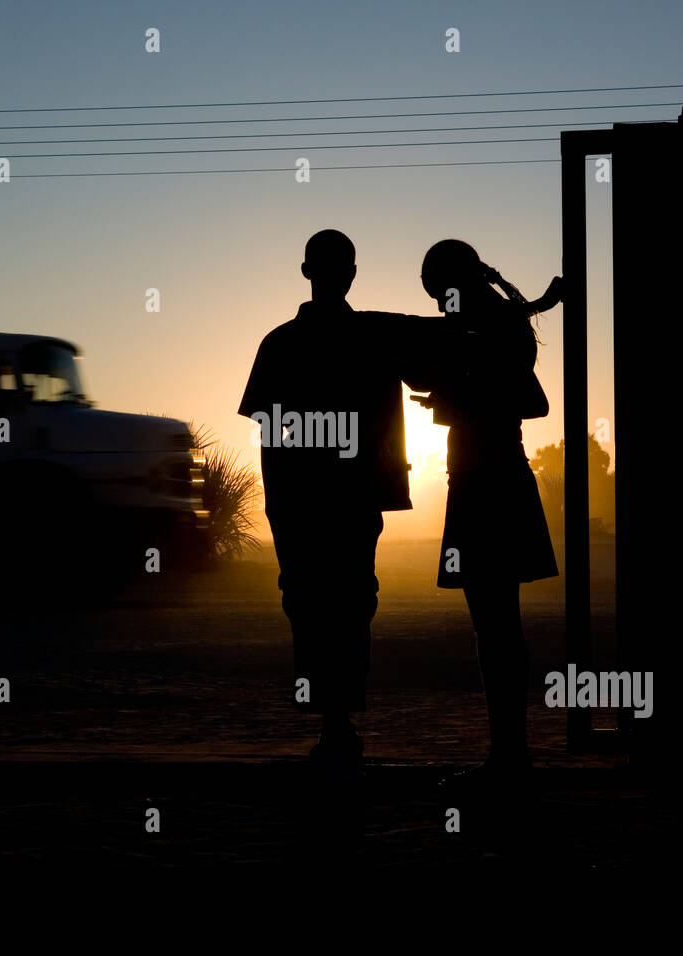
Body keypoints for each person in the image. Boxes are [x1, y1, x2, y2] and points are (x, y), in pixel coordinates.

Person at [237, 229, 412, 774]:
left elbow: (269, 437)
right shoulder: (370, 342)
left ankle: (332, 724)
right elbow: (386, 430)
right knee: (348, 606)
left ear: (307, 271)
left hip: (306, 506)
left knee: (316, 608)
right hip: (347, 505)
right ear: (349, 275)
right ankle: (337, 722)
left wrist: (278, 506)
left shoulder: (281, 343)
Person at [401, 239, 562, 791]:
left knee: (495, 627)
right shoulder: (490, 321)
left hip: (488, 483)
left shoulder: (485, 326)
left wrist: (457, 393)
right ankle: (509, 755)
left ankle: (509, 759)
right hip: (488, 481)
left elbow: (531, 400)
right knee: (497, 626)